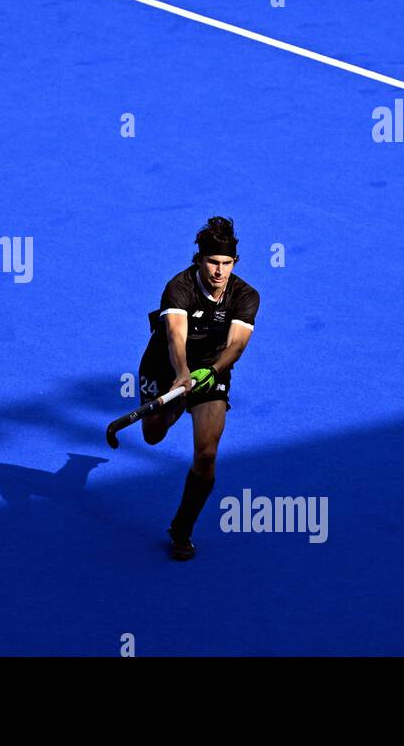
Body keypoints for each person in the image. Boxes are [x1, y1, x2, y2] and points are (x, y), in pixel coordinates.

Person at [137, 216, 259, 560]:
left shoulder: (246, 295)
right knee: (153, 434)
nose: (219, 272)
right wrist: (182, 374)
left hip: (211, 371)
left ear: (234, 263)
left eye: (226, 264)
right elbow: (176, 336)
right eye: (212, 262)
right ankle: (175, 406)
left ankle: (182, 529)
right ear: (199, 260)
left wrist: (212, 371)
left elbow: (235, 346)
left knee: (206, 454)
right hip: (165, 367)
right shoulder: (179, 287)